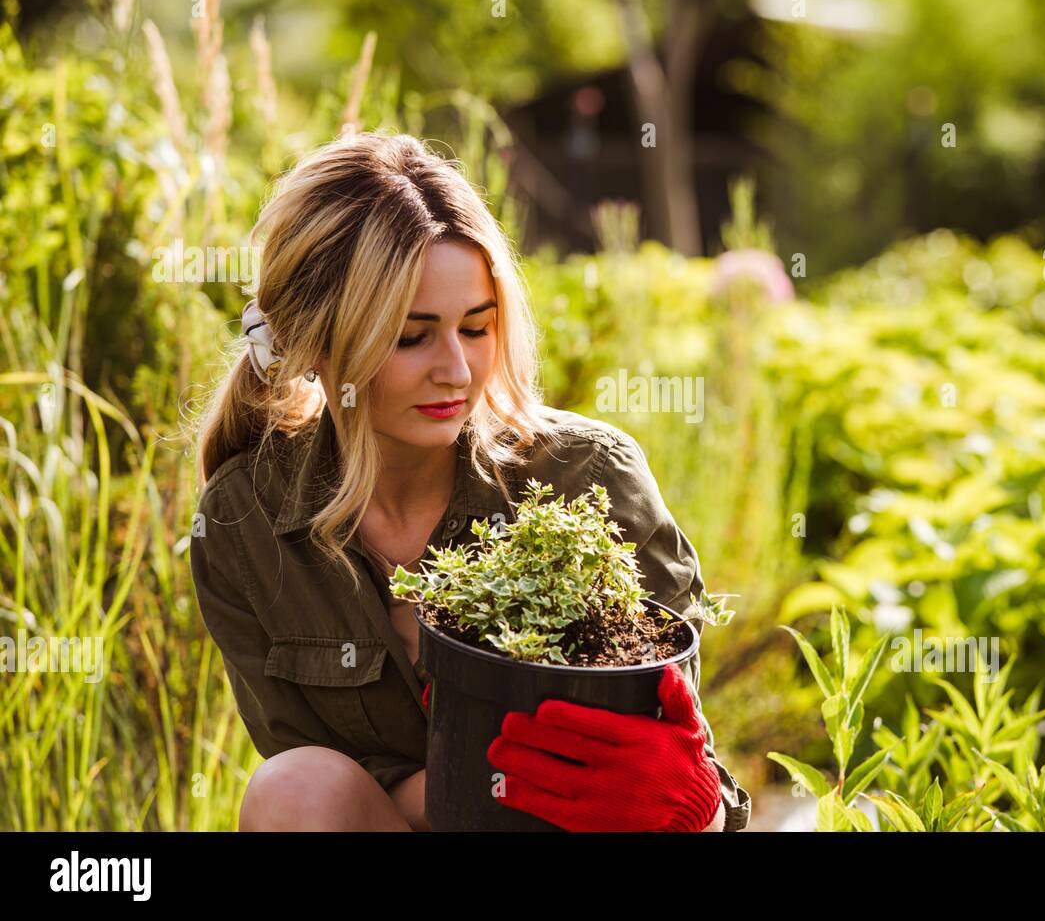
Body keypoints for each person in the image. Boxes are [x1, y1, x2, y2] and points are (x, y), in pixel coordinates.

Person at [187, 130, 751, 832]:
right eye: (410, 336)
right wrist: (500, 786)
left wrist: (693, 806)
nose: (455, 370)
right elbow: (325, 794)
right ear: (314, 341)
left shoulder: (589, 481)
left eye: (476, 328)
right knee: (295, 789)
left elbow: (685, 770)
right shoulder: (245, 520)